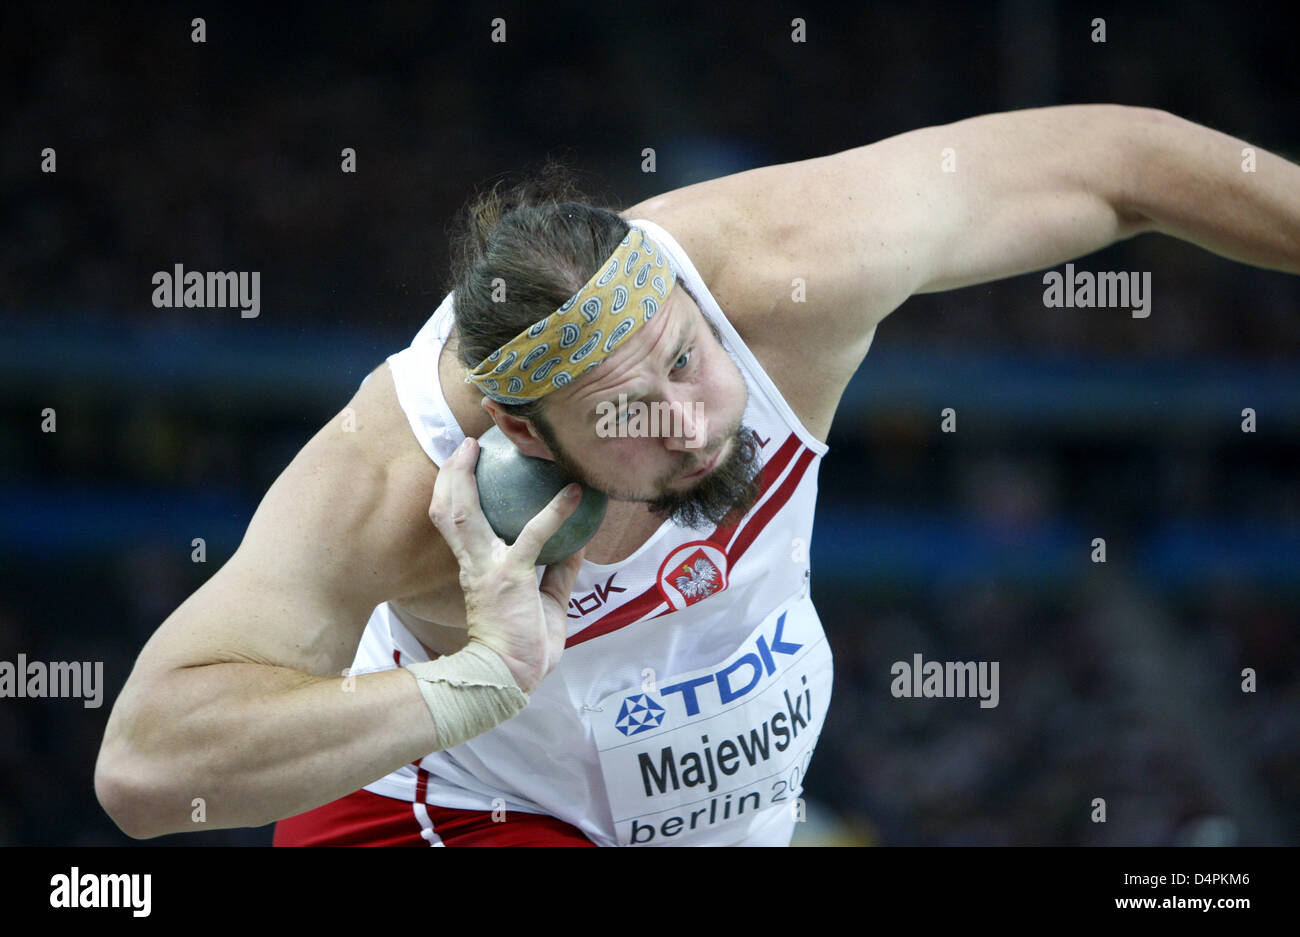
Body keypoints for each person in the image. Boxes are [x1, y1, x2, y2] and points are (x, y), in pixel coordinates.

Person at [94, 105, 1300, 845]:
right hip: (449, 814)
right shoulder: (394, 470)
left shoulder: (792, 269)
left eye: (687, 357)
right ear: (525, 438)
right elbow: (146, 769)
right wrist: (474, 683)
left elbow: (1119, 164)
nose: (693, 426)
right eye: (626, 411)